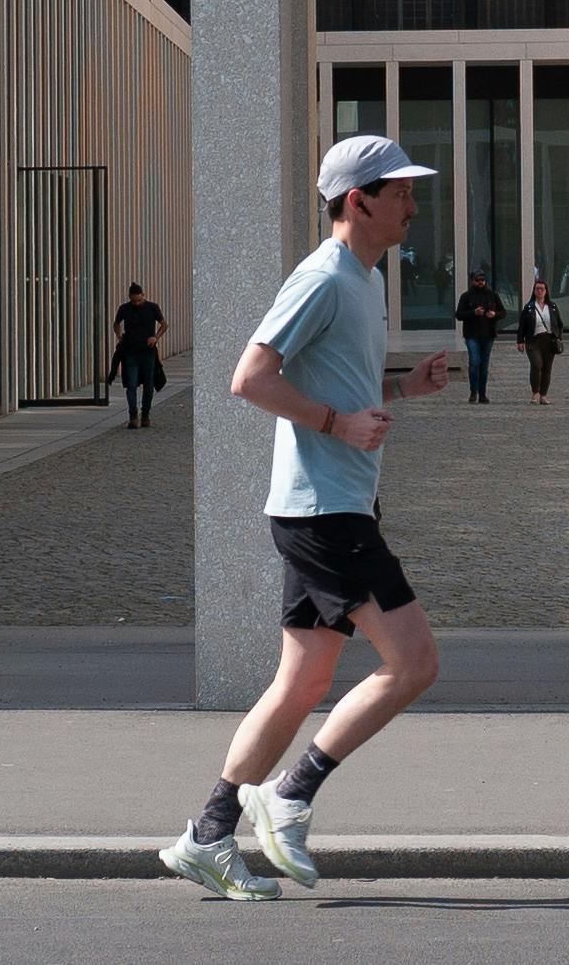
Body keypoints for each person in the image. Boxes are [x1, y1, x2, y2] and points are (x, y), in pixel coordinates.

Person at [156, 132, 455, 900]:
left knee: (298, 683)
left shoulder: (358, 279)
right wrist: (335, 424)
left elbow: (343, 389)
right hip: (326, 514)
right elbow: (249, 379)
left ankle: (207, 834)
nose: (412, 206)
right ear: (358, 201)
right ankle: (289, 795)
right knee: (413, 663)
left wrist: (402, 391)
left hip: (324, 507)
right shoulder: (324, 276)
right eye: (400, 193)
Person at [110, 284, 167, 429]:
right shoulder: (124, 309)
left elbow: (164, 324)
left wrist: (155, 337)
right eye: (134, 301)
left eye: (139, 300)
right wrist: (119, 335)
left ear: (143, 295)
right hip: (130, 352)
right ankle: (133, 416)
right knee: (131, 385)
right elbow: (116, 323)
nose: (136, 303)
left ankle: (145, 414)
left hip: (147, 351)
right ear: (130, 298)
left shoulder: (152, 307)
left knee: (149, 385)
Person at [453, 269, 506, 407]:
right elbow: (458, 314)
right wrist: (473, 312)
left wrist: (494, 315)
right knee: (474, 362)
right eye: (477, 280)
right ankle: (473, 391)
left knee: (484, 366)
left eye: (482, 280)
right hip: (472, 335)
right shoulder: (466, 296)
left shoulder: (492, 295)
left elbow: (503, 312)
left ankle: (482, 393)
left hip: (488, 334)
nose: (480, 282)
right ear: (472, 281)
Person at [517, 275, 565, 406]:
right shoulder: (529, 307)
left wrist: (558, 336)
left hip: (549, 340)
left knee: (547, 368)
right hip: (534, 340)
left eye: (542, 289)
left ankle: (544, 394)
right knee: (537, 364)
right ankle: (535, 393)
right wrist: (520, 341)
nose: (539, 291)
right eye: (537, 289)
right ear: (534, 291)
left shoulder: (552, 306)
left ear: (546, 291)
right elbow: (522, 326)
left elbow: (559, 324)